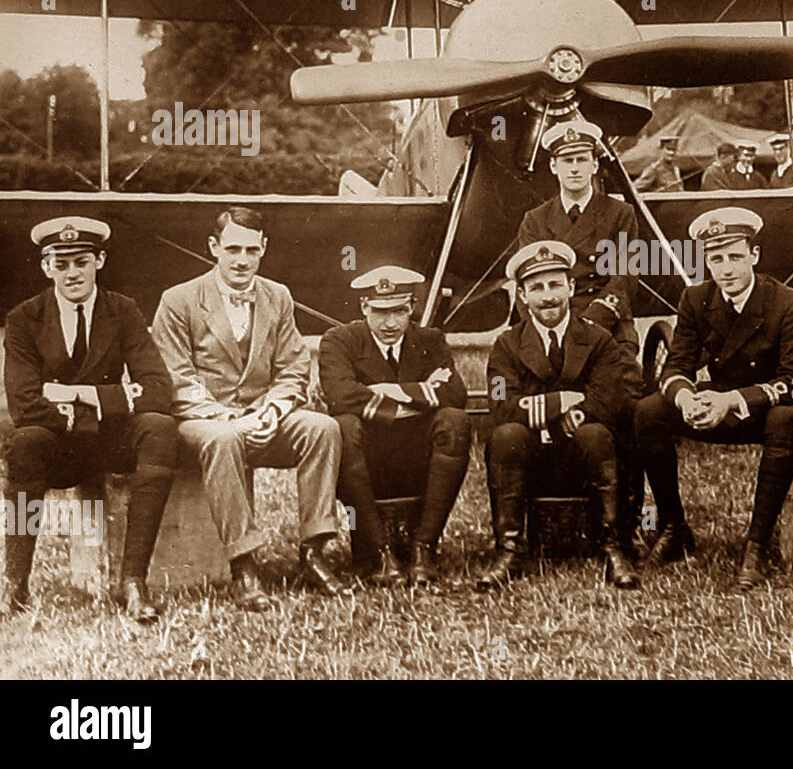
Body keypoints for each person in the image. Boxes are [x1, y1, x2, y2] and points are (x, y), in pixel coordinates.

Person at [151, 206, 347, 612]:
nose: (242, 260)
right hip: (205, 423)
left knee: (322, 428)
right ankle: (244, 566)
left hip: (264, 417)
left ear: (264, 249)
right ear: (213, 248)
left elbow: (294, 366)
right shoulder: (178, 300)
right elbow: (174, 377)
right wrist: (228, 417)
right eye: (233, 249)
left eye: (251, 250)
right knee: (224, 440)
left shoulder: (278, 296)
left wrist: (273, 411)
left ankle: (313, 551)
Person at [635, 207, 793, 589]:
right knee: (649, 411)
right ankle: (673, 526)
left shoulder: (789, 302)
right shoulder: (695, 298)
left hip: (774, 405)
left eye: (736, 256)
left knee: (784, 420)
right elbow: (676, 366)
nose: (726, 269)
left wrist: (733, 399)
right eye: (715, 258)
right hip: (720, 404)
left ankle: (757, 544)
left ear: (755, 255)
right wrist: (686, 398)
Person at [2, 218, 177, 623]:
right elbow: (25, 403)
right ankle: (15, 583)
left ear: (99, 260)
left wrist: (76, 394)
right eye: (60, 264)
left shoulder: (123, 310)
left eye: (81, 261)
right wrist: (112, 401)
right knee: (24, 441)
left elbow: (157, 389)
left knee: (159, 429)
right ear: (46, 268)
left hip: (112, 440)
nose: (72, 274)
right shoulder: (24, 318)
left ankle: (133, 581)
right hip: (57, 445)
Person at [475, 241, 639, 591]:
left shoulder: (599, 340)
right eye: (536, 287)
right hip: (530, 459)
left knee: (595, 434)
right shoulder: (506, 345)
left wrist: (559, 413)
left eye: (554, 285)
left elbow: (609, 400)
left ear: (572, 287)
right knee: (506, 435)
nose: (548, 297)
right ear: (521, 295)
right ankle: (509, 549)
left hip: (584, 458)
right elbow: (502, 405)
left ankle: (613, 546)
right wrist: (563, 400)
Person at [519, 119, 644, 556]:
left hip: (606, 323)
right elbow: (528, 287)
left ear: (595, 164)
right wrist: (556, 328)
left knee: (627, 402)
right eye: (566, 161)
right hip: (554, 320)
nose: (575, 168)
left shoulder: (619, 213)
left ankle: (628, 517)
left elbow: (624, 278)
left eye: (582, 160)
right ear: (553, 167)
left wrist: (588, 325)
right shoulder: (536, 220)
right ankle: (540, 512)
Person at [317, 266, 470, 586]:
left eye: (399, 311)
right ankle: (379, 554)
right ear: (364, 308)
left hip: (418, 454)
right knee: (343, 427)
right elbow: (341, 397)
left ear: (411, 307)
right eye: (380, 311)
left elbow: (455, 394)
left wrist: (387, 391)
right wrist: (421, 394)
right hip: (365, 455)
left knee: (454, 421)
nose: (390, 323)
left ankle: (424, 549)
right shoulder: (339, 340)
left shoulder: (430, 340)